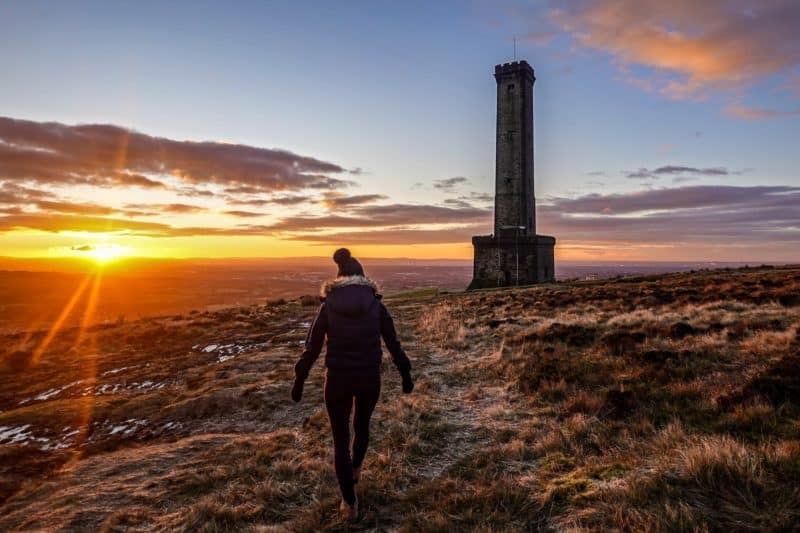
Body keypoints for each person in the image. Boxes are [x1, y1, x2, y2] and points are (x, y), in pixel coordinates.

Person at [291, 248, 414, 521]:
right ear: (363, 278)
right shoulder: (376, 305)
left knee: (340, 439)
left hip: (337, 379)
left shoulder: (328, 305)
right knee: (362, 426)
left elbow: (312, 347)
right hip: (369, 377)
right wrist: (405, 374)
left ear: (339, 278)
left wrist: (299, 379)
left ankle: (349, 502)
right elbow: (393, 344)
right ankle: (356, 468)